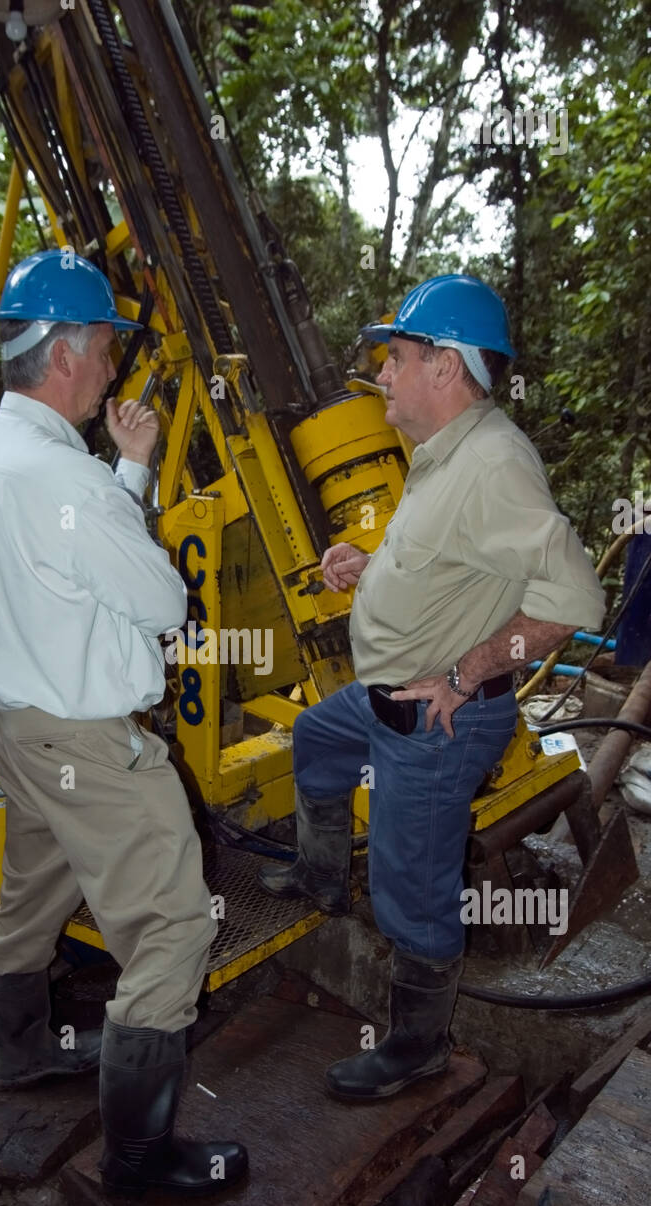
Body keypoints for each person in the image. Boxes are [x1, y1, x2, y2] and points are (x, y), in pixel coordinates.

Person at [259, 274, 606, 1101]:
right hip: (380, 703)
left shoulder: (493, 465)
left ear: (446, 368)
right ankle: (317, 874)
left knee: (410, 896)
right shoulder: (442, 455)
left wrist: (468, 671)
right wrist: (369, 570)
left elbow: (575, 600)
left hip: (435, 721)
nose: (382, 373)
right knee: (314, 741)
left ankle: (415, 1047)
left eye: (397, 356)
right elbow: (452, 566)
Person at [0, 249, 247, 1196]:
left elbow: (78, 565)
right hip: (87, 741)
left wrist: (125, 468)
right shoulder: (66, 482)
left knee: (33, 893)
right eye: (109, 350)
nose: (116, 369)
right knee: (171, 927)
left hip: (21, 730)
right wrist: (129, 478)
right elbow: (164, 601)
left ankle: (19, 1051)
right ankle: (139, 1158)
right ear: (70, 353)